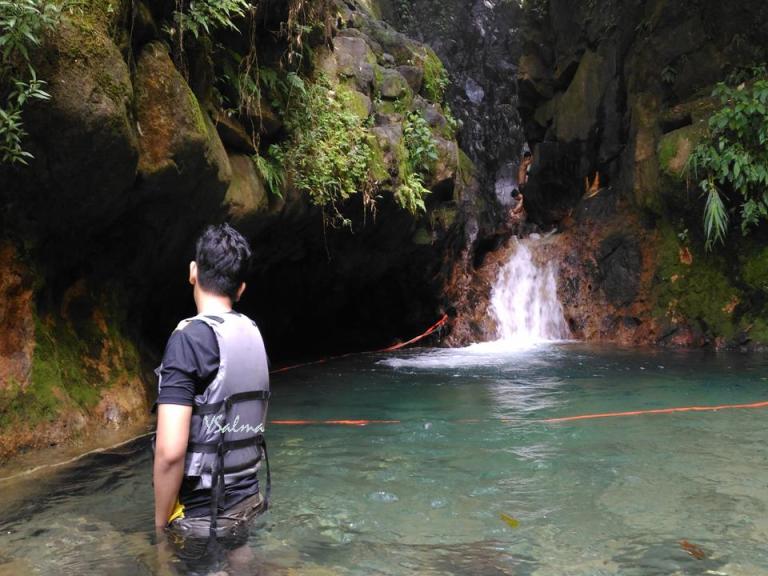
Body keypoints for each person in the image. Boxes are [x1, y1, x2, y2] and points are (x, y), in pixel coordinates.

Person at [153, 223, 271, 568]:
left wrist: (160, 526)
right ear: (242, 288)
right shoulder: (253, 334)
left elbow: (170, 452)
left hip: (202, 516)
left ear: (193, 271)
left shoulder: (188, 341)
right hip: (247, 500)